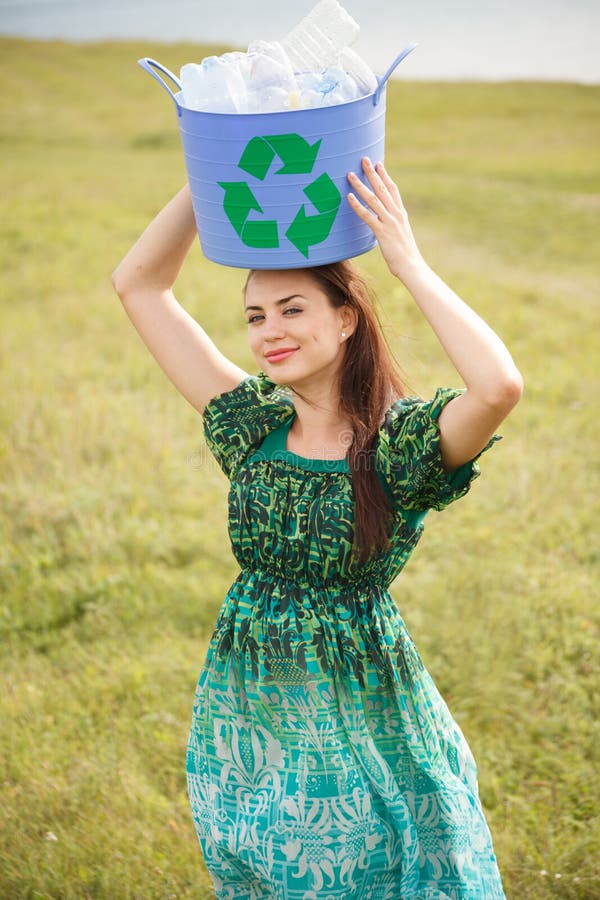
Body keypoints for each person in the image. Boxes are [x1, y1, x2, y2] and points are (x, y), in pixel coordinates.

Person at [112, 157, 522, 899]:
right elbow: (139, 285)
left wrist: (408, 262)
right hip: (253, 699)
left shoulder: (398, 449)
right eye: (255, 315)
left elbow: (498, 387)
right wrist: (212, 167)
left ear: (345, 317)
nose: (268, 332)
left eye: (292, 309)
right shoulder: (250, 422)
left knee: (372, 866)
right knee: (273, 871)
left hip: (359, 699)